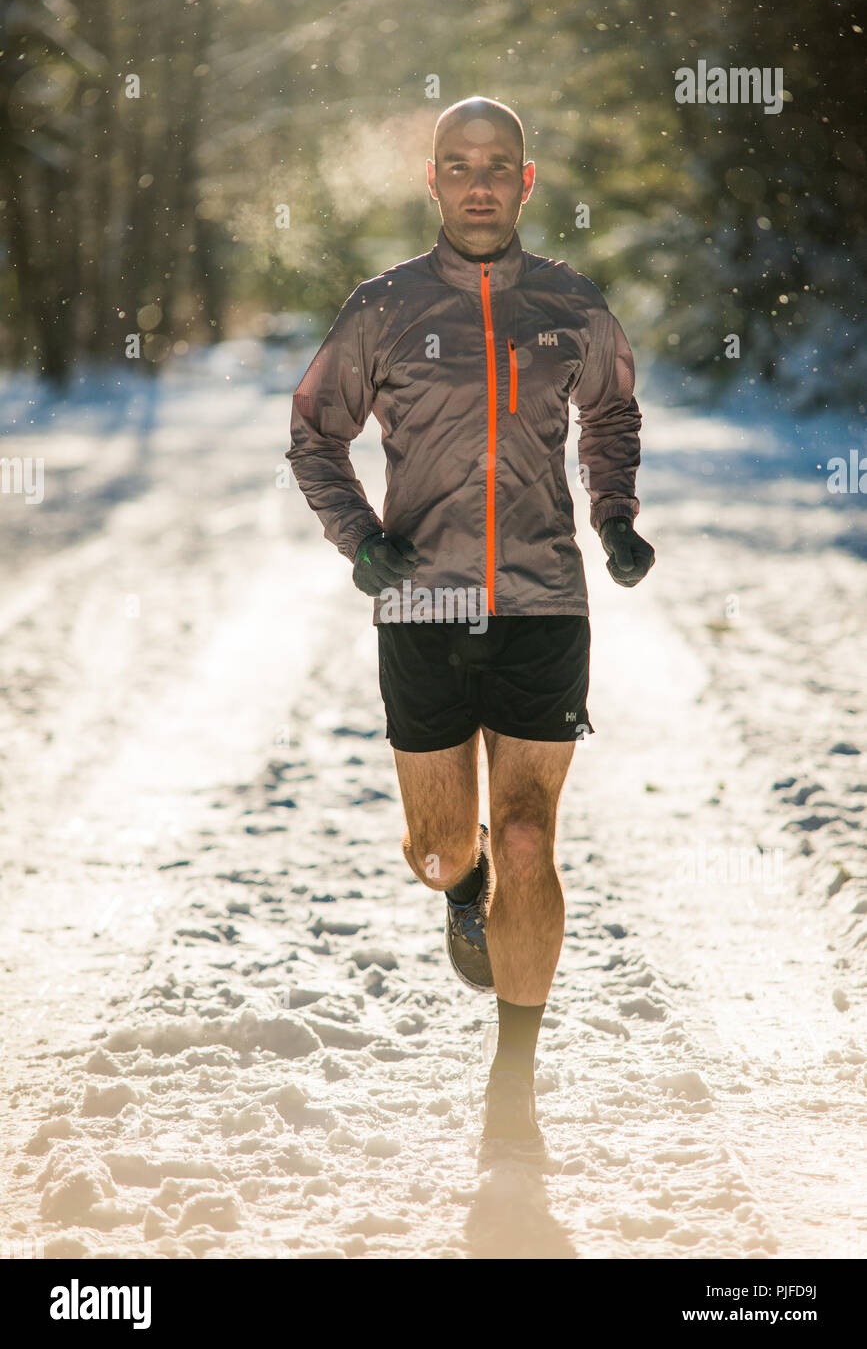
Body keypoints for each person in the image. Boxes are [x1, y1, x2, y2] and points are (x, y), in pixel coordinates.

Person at [287, 95, 654, 1163]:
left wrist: (614, 515)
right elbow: (314, 434)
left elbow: (611, 413)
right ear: (434, 179)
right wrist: (361, 541)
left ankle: (513, 1082)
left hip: (543, 601)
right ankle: (464, 884)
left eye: (498, 164)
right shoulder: (385, 306)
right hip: (424, 604)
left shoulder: (571, 303)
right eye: (458, 163)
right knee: (441, 847)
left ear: (526, 181)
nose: (479, 181)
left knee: (530, 834)